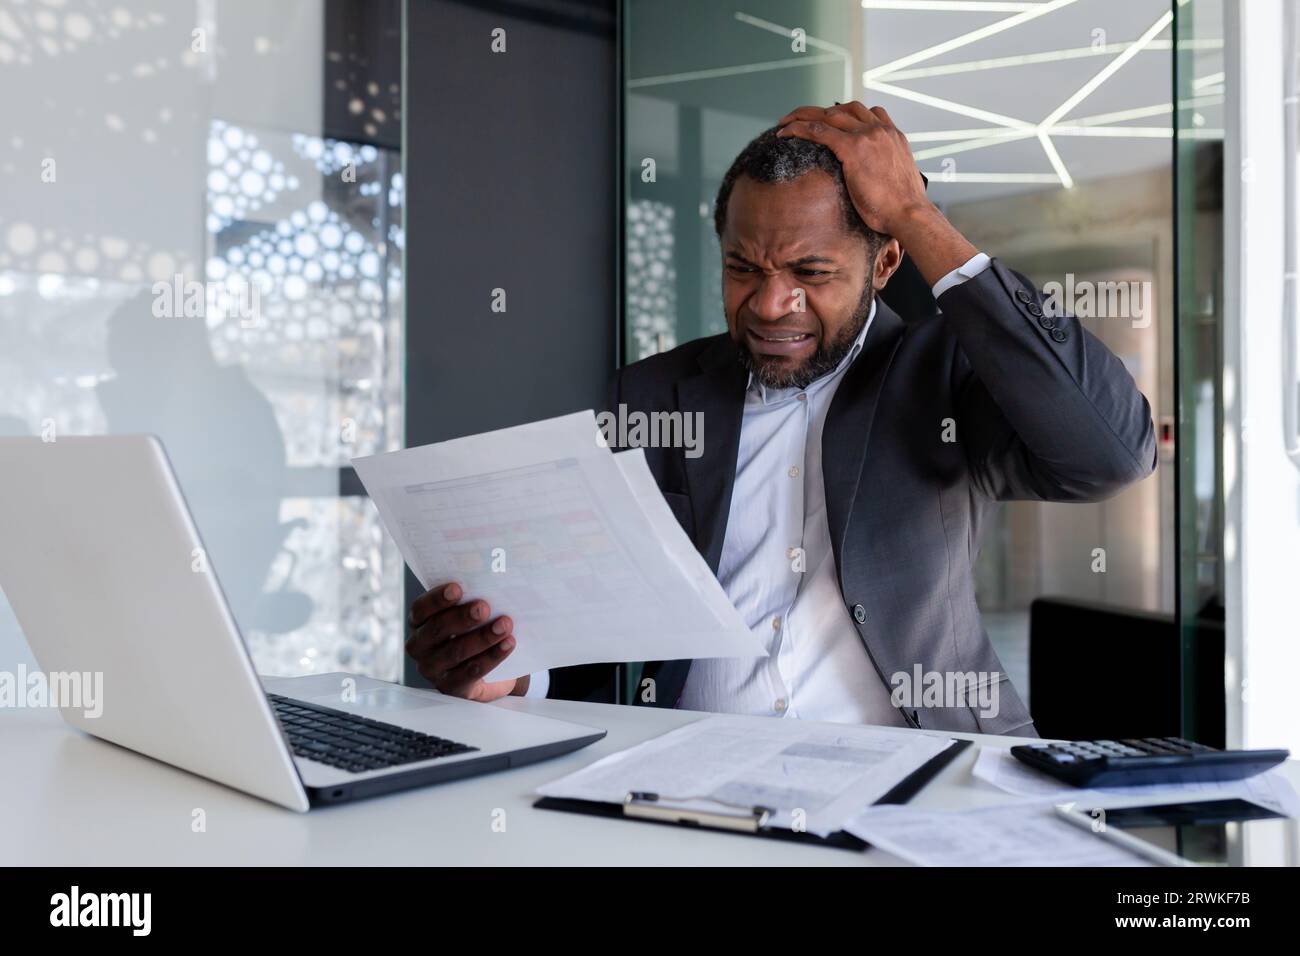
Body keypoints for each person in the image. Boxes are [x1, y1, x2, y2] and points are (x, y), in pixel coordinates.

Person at [404, 103, 1156, 735]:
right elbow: (600, 644)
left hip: (919, 778)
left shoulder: (947, 377)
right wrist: (506, 677)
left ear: (886, 263)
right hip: (688, 783)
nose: (770, 305)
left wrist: (916, 214)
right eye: (744, 269)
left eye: (811, 272)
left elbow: (1112, 452)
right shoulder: (652, 396)